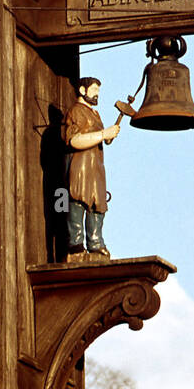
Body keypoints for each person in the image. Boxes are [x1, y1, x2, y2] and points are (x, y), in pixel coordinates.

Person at [62, 76, 120, 262]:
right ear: (82, 90)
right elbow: (74, 140)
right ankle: (76, 246)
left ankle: (96, 244)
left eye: (98, 90)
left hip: (95, 168)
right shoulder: (76, 112)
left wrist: (108, 135)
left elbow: (98, 137)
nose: (97, 94)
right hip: (80, 167)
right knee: (78, 202)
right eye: (94, 89)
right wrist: (103, 134)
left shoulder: (94, 114)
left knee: (98, 205)